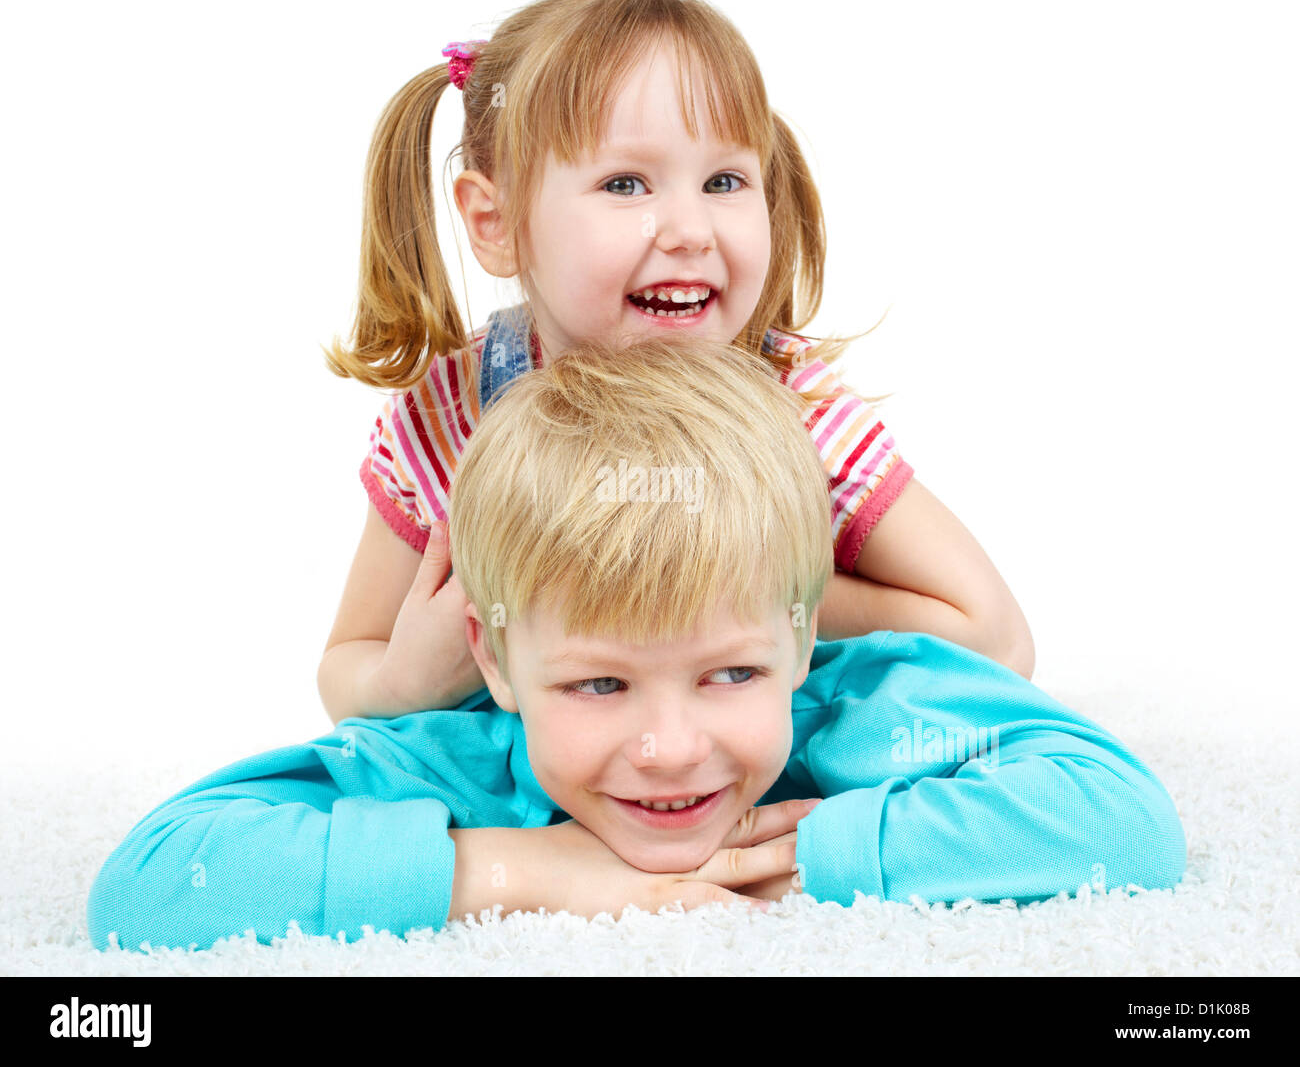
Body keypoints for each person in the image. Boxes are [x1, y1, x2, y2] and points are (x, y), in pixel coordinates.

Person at [88, 338, 1184, 953]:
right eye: (600, 682)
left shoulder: (863, 707)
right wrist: (526, 868)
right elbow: (145, 889)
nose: (670, 746)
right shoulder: (463, 759)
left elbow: (1122, 820)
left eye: (731, 673)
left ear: (801, 639)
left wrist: (804, 858)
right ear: (498, 662)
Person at [316, 0, 1036, 728]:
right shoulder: (453, 416)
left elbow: (996, 639)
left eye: (724, 182)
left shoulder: (796, 409)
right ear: (496, 223)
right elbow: (347, 665)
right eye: (625, 185)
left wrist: (753, 592)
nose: (690, 230)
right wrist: (404, 683)